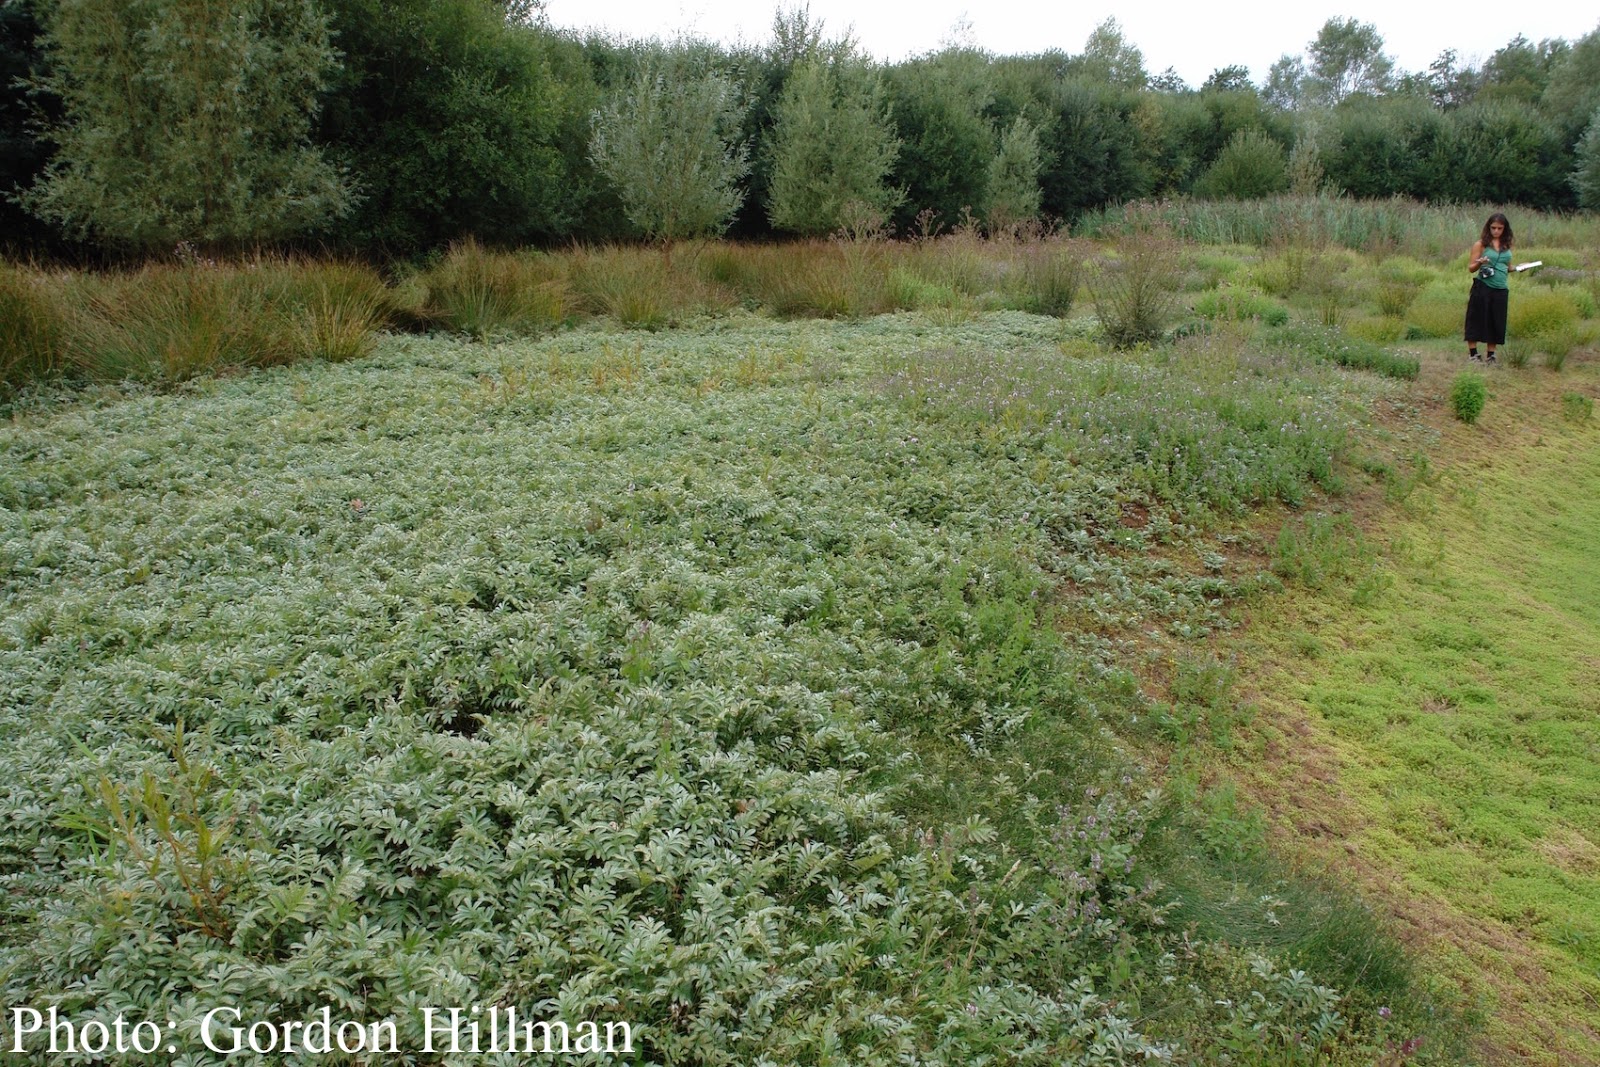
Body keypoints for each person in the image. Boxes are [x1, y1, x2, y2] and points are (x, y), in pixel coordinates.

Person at [1464, 213, 1513, 364]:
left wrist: (1518, 268)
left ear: (1505, 229)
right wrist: (1480, 263)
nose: (1496, 231)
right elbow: (1471, 268)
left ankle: (1491, 355)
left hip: (1500, 287)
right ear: (1488, 227)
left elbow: (1507, 266)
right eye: (1493, 228)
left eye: (1500, 228)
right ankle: (1473, 354)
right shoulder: (1481, 244)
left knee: (1496, 320)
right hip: (1483, 286)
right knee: (1476, 317)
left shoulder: (1506, 245)